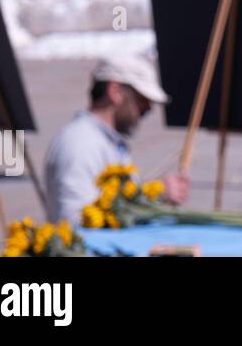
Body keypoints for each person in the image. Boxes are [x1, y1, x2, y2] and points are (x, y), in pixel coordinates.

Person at [44, 56, 189, 224]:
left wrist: (153, 195)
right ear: (115, 92)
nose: (148, 108)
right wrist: (152, 195)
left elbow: (114, 203)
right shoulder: (79, 143)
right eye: (142, 99)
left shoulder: (107, 142)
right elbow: (75, 221)